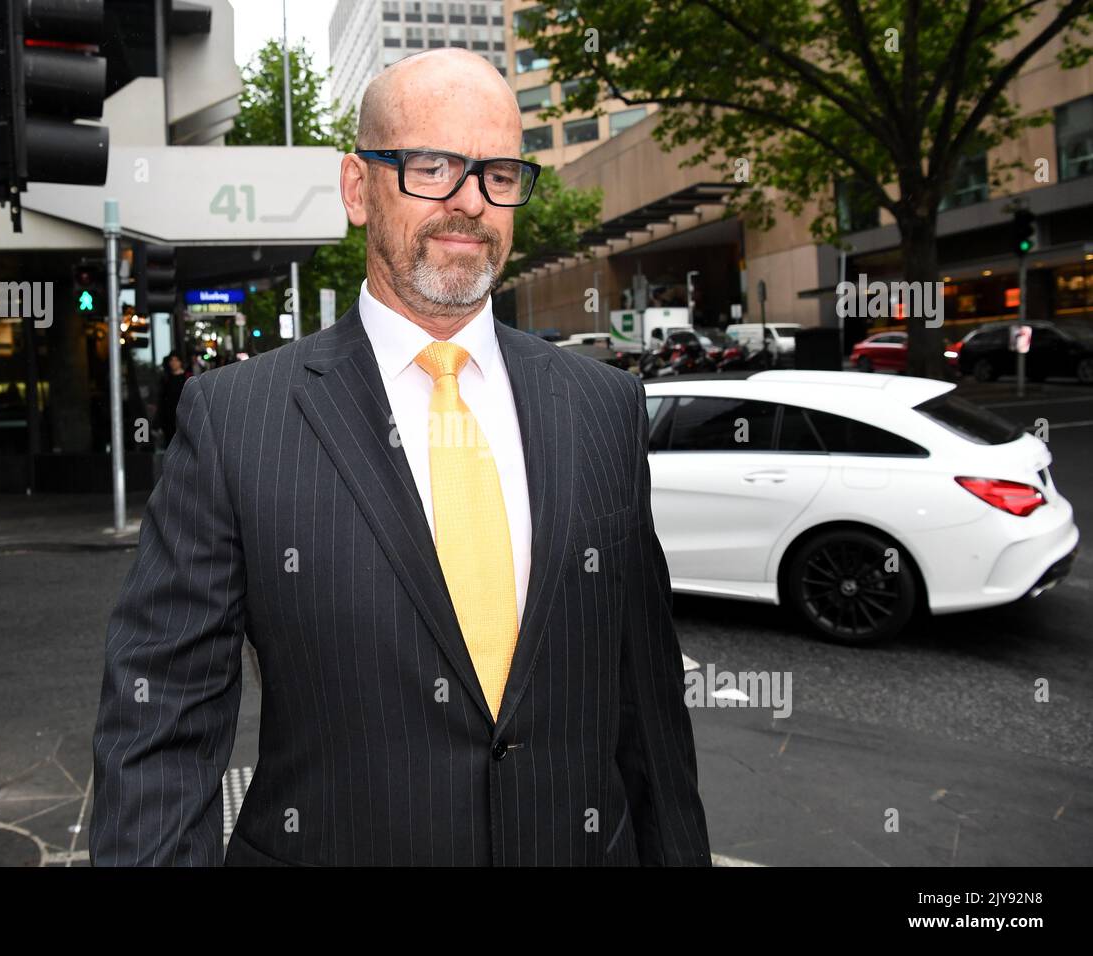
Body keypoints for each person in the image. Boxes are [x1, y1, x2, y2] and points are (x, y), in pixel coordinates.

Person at [89, 48, 710, 867]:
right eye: (431, 167)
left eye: (497, 173)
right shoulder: (237, 420)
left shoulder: (604, 406)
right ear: (357, 188)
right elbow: (160, 722)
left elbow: (648, 704)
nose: (468, 203)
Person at [155, 353, 186, 445]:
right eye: (171, 360)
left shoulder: (187, 378)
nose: (173, 363)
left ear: (180, 362)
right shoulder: (166, 379)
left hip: (182, 416)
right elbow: (162, 399)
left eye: (176, 360)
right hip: (168, 418)